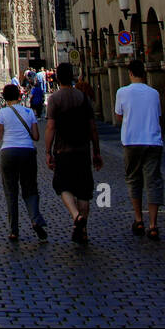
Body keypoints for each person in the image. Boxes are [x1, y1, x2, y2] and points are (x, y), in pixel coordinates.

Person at [45, 63, 102, 245]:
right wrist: (97, 152)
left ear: (57, 78)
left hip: (63, 150)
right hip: (83, 150)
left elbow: (51, 127)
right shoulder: (84, 98)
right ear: (72, 77)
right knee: (84, 191)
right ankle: (83, 231)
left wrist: (48, 151)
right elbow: (93, 128)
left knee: (62, 185)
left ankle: (76, 216)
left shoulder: (54, 99)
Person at [114, 59, 164, 240]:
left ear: (130, 73)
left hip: (131, 140)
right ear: (144, 73)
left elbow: (119, 116)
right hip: (153, 141)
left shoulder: (122, 92)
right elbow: (158, 115)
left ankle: (138, 219)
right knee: (153, 181)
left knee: (134, 179)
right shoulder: (154, 93)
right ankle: (153, 224)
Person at [0, 83, 48, 242]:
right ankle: (35, 219)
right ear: (19, 96)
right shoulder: (29, 112)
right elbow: (36, 136)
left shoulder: (3, 112)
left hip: (8, 152)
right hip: (27, 152)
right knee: (30, 189)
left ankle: (13, 231)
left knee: (11, 192)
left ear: (5, 97)